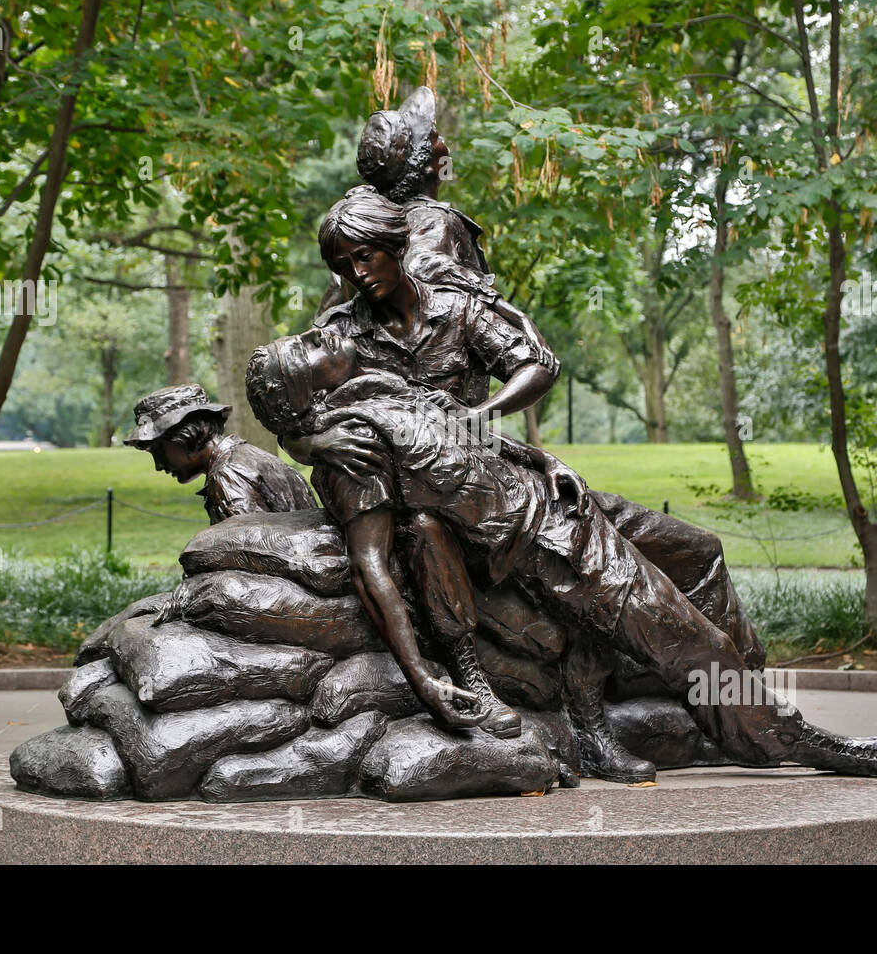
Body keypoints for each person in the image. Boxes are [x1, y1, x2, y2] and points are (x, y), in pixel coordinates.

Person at [245, 331, 877, 779]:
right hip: (550, 544)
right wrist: (424, 678)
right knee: (691, 640)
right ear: (310, 393)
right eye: (303, 348)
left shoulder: (381, 384)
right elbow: (371, 569)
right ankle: (800, 741)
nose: (318, 332)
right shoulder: (349, 452)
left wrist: (541, 458)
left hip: (567, 498)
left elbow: (467, 431)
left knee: (701, 551)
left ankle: (732, 708)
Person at [291, 187, 759, 781]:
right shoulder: (339, 335)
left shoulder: (457, 308)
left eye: (365, 257)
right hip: (424, 501)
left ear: (394, 245)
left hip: (498, 467)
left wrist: (490, 424)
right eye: (343, 266)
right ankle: (585, 729)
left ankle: (741, 710)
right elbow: (292, 410)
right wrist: (315, 445)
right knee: (521, 560)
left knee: (695, 549)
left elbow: (537, 363)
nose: (356, 275)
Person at [123, 384, 313, 523]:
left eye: (158, 450)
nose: (159, 465)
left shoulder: (228, 477)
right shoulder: (247, 457)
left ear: (185, 434)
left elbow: (247, 557)